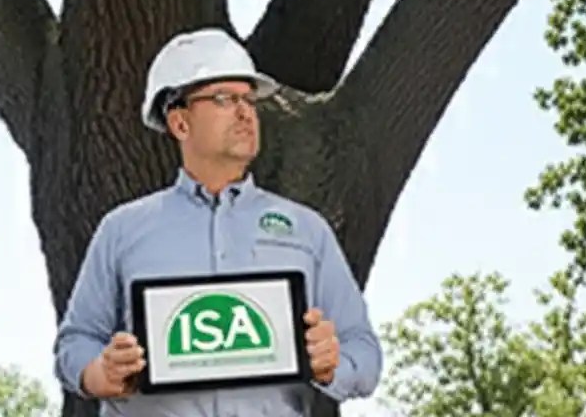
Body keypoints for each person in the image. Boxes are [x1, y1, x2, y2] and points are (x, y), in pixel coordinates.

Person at [52, 27, 383, 415]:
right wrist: (99, 372)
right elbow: (74, 344)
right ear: (180, 123)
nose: (245, 112)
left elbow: (364, 351)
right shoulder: (121, 231)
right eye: (224, 99)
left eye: (249, 100)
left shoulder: (307, 231)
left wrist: (332, 365)